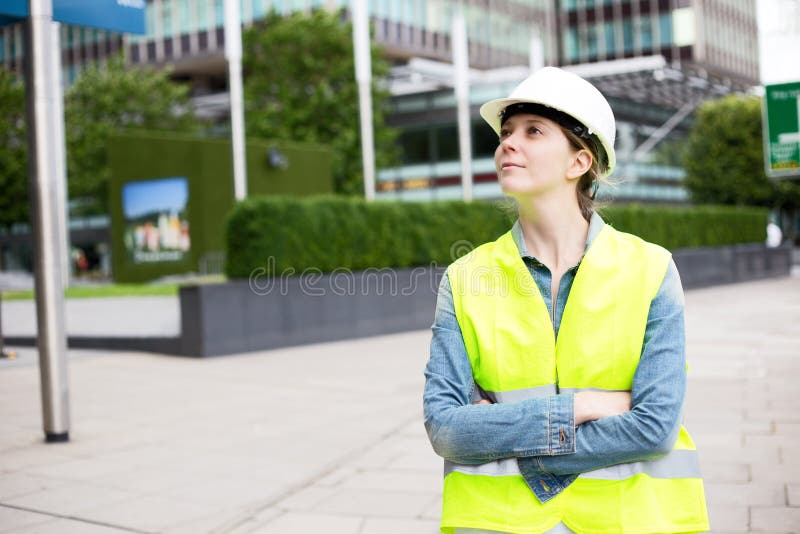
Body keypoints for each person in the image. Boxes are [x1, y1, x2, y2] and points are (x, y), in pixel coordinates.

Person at [423, 67, 709, 534]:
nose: (508, 144)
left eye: (533, 131)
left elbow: (654, 427)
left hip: (628, 522)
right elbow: (446, 429)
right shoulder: (464, 278)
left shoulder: (652, 270)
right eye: (506, 133)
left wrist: (508, 438)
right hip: (499, 525)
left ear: (579, 162)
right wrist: (581, 407)